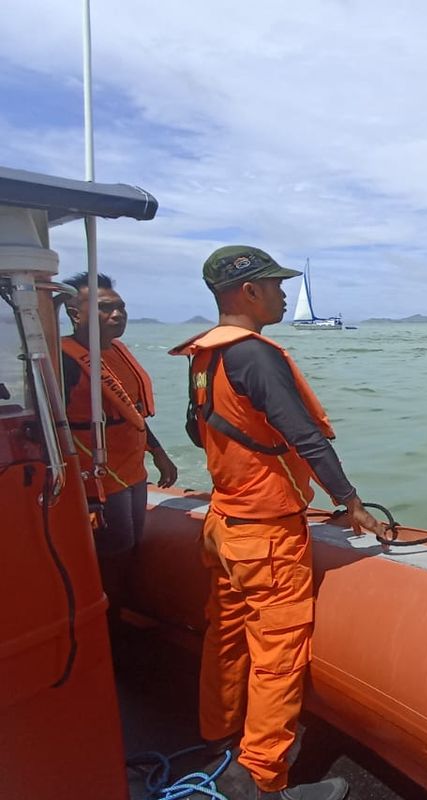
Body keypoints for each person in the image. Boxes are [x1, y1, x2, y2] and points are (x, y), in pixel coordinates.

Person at [170, 246, 385, 800]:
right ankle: (264, 782)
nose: (284, 293)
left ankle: (219, 741)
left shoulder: (204, 356)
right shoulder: (254, 356)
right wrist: (351, 501)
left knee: (226, 638)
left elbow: (198, 432)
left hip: (224, 523)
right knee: (278, 654)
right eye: (275, 284)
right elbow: (305, 436)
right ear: (249, 292)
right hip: (266, 532)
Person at [60, 272, 177, 624]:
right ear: (74, 313)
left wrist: (158, 452)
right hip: (97, 479)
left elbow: (132, 413)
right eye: (105, 308)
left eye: (121, 307)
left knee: (132, 548)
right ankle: (107, 631)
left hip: (132, 471)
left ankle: (120, 620)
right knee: (115, 553)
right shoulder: (64, 359)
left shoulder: (120, 353)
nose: (118, 314)